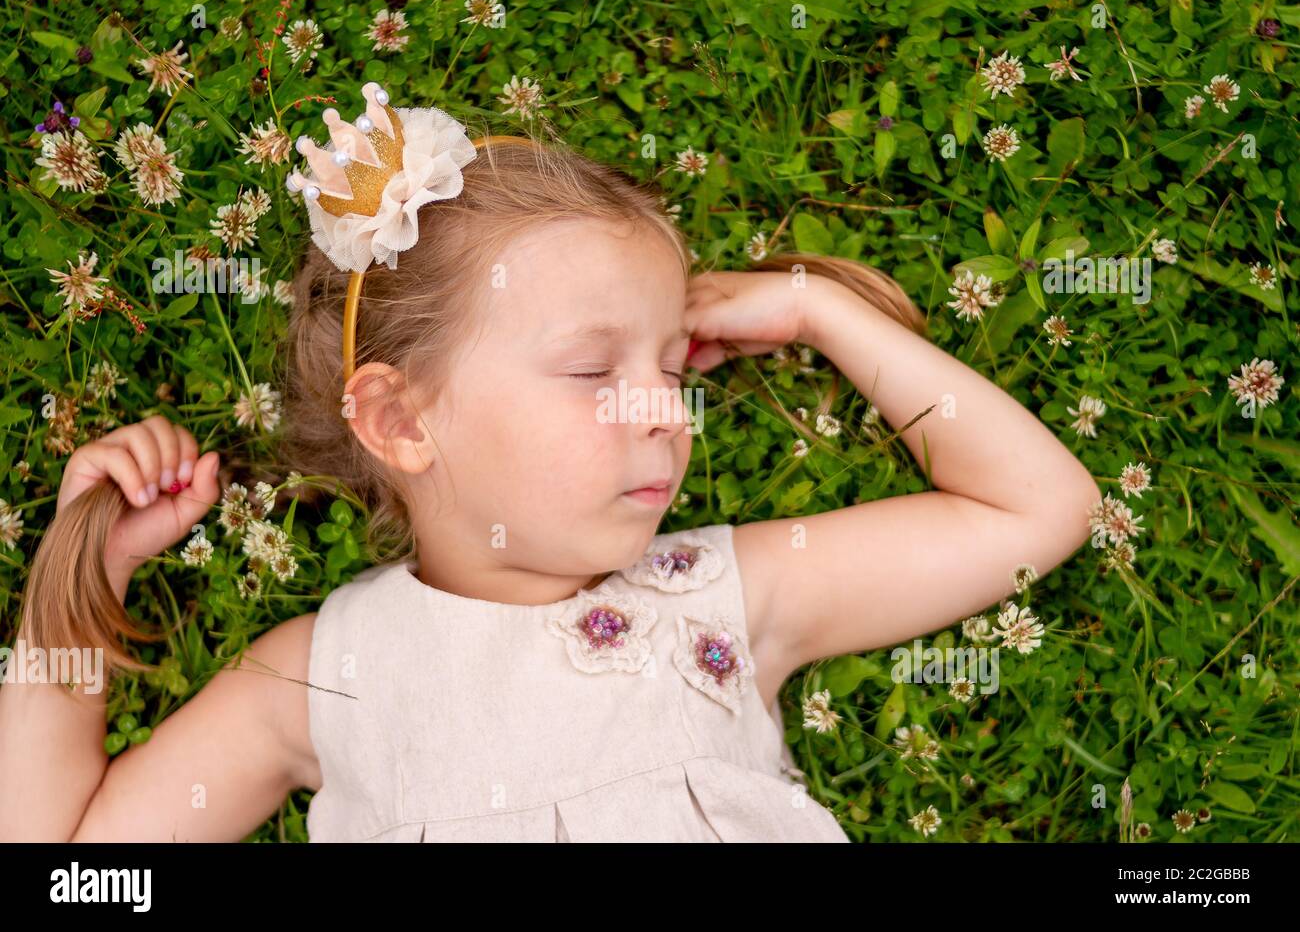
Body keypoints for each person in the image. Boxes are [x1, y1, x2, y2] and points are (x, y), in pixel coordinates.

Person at [0, 84, 1100, 842]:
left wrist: (818, 311)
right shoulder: (314, 677)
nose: (664, 410)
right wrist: (82, 576)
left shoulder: (724, 597)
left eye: (674, 368)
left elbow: (1033, 510)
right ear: (398, 422)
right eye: (592, 371)